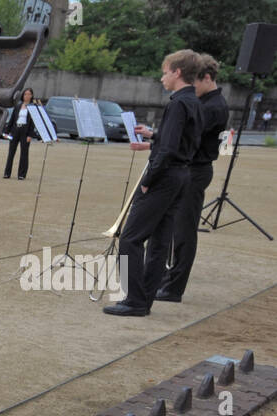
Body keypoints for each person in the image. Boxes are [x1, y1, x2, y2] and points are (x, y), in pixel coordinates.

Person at [105, 50, 202, 317]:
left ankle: (133, 299)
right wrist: (155, 135)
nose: (162, 78)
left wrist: (148, 180)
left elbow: (169, 149)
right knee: (159, 240)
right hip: (182, 176)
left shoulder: (177, 104)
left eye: (165, 72)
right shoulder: (193, 101)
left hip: (165, 176)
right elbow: (184, 141)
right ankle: (143, 299)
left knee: (130, 239)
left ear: (177, 72)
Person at [151, 53, 229, 304]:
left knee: (184, 230)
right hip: (191, 168)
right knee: (176, 228)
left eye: (195, 82)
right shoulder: (206, 103)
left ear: (206, 78)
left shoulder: (213, 106)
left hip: (196, 170)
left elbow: (188, 136)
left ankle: (174, 287)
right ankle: (167, 280)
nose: (191, 87)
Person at [3, 87, 40, 180]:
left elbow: (33, 123)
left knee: (24, 153)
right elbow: (12, 120)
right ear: (23, 95)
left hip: (25, 131)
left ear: (31, 96)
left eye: (29, 94)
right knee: (11, 152)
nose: (27, 96)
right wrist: (6, 132)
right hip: (15, 130)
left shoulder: (32, 107)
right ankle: (7, 173)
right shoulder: (18, 106)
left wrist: (30, 135)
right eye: (25, 94)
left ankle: (21, 174)